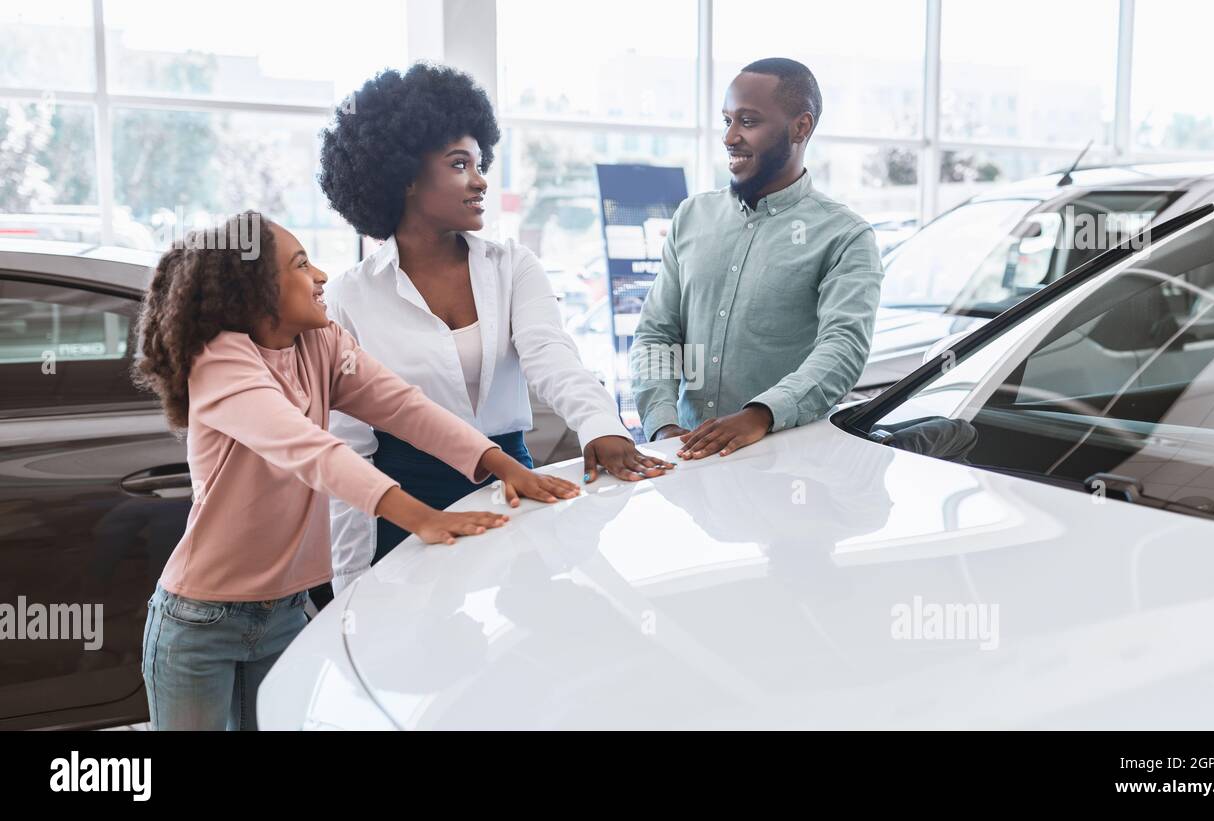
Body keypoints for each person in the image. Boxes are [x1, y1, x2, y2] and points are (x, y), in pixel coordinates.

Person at [132, 213, 578, 730]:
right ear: (254, 294)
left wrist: (500, 465)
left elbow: (404, 406)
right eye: (301, 265)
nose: (322, 275)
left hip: (284, 614)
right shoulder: (221, 361)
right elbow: (311, 449)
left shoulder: (322, 344)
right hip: (201, 621)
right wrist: (420, 517)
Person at [318, 64, 673, 593]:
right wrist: (347, 579)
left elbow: (551, 355)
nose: (480, 180)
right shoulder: (351, 294)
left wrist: (602, 426)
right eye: (460, 164)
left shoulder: (512, 266)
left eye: (479, 163)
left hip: (514, 485)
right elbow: (347, 450)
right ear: (406, 177)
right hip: (405, 506)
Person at [631, 58, 883, 459]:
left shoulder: (845, 236)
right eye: (727, 120)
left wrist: (762, 414)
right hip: (685, 462)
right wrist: (662, 425)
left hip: (788, 466)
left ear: (801, 127)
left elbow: (842, 347)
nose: (730, 137)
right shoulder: (692, 217)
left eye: (748, 122)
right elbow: (657, 335)